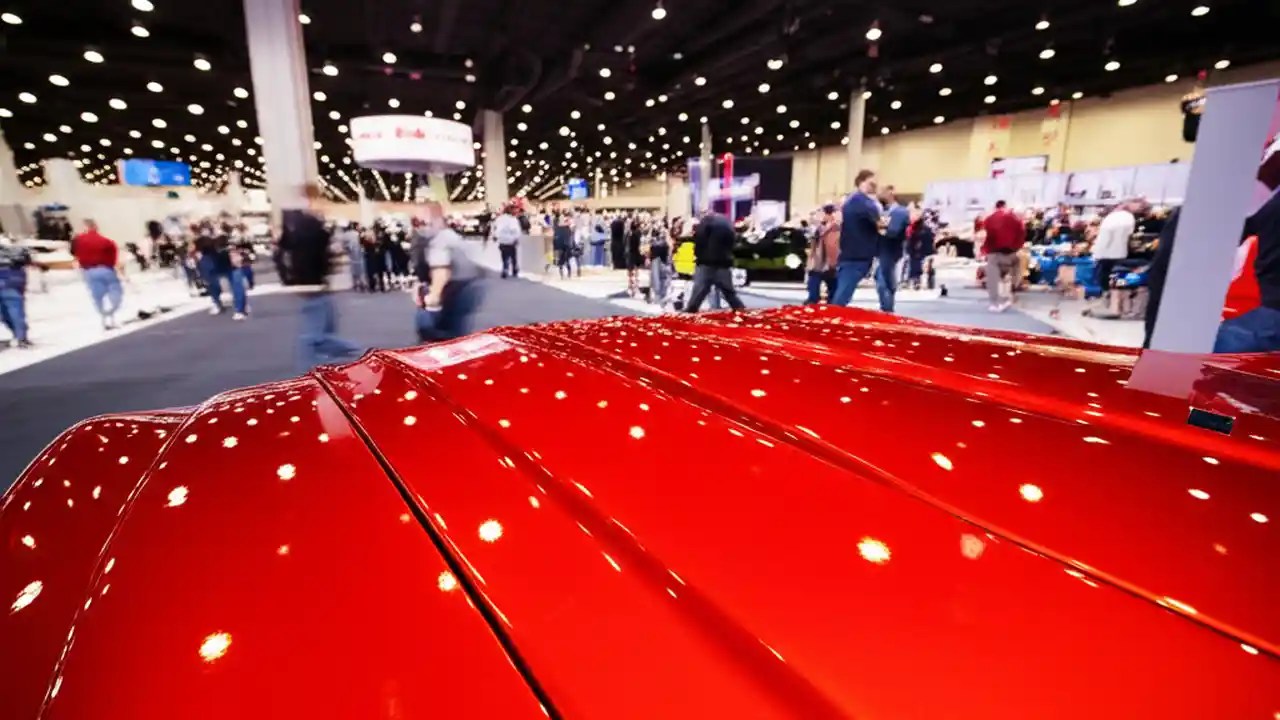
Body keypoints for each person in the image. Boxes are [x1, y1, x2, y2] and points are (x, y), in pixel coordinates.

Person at [281, 208, 362, 371]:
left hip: (310, 288)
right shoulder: (320, 238)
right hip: (320, 287)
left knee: (312, 340)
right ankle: (356, 353)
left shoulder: (300, 243)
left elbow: (284, 246)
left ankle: (360, 353)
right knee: (320, 336)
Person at [415, 212, 482, 341]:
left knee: (436, 332)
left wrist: (433, 295)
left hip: (453, 289)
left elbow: (441, 270)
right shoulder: (453, 236)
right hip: (466, 288)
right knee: (455, 331)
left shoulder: (439, 240)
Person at [832, 169, 882, 306]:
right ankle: (832, 319)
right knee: (842, 296)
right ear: (861, 182)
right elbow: (881, 224)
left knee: (842, 292)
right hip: (858, 255)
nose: (875, 186)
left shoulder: (852, 201)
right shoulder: (863, 203)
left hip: (851, 253)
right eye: (871, 183)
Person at [683, 210, 745, 312]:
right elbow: (733, 242)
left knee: (699, 291)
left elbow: (700, 240)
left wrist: (698, 255)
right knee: (729, 293)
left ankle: (690, 312)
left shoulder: (705, 223)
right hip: (723, 262)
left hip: (706, 262)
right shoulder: (727, 223)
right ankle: (742, 312)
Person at [72, 220, 125, 330]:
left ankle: (104, 318)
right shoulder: (107, 241)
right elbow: (114, 254)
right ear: (95, 227)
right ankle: (112, 315)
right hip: (106, 269)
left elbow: (73, 252)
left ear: (84, 227)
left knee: (98, 296)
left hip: (89, 271)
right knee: (115, 292)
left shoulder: (77, 240)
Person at [982, 200, 1026, 312]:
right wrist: (1016, 248)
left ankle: (994, 303)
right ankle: (1011, 293)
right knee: (1014, 270)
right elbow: (1021, 234)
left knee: (993, 278)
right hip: (1011, 253)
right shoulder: (1016, 219)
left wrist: (985, 251)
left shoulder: (989, 219)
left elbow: (987, 236)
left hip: (994, 253)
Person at [876, 186, 910, 312]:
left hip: (892, 252)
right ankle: (886, 308)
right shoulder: (883, 211)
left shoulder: (900, 212)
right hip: (881, 250)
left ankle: (887, 309)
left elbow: (893, 231)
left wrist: (878, 228)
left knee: (884, 282)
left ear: (890, 194)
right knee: (881, 281)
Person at [1093, 200, 1137, 297]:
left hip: (1106, 251)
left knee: (1104, 272)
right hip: (1121, 251)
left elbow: (1105, 237)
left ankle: (1107, 291)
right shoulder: (1130, 218)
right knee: (1119, 272)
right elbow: (1130, 233)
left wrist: (1098, 251)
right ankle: (1122, 291)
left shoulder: (1111, 218)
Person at [805, 204, 840, 304]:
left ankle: (816, 302)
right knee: (821, 284)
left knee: (831, 286)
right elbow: (813, 245)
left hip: (827, 262)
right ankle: (816, 301)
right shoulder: (820, 227)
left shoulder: (834, 228)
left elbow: (832, 246)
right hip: (821, 262)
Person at [0, 238, 32, 347]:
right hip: (13, 284)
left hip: (10, 284)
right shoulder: (17, 249)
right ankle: (21, 336)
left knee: (8, 314)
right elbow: (26, 260)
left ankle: (19, 335)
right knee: (15, 312)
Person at [905, 206, 936, 290]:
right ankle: (915, 279)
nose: (912, 217)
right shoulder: (910, 226)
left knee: (919, 263)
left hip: (922, 248)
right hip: (914, 249)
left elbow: (928, 237)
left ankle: (919, 279)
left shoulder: (923, 227)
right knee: (914, 263)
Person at [493, 204, 523, 278]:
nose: (516, 211)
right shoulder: (513, 219)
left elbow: (495, 228)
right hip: (511, 240)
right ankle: (514, 269)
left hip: (502, 240)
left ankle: (505, 268)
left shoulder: (499, 219)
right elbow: (516, 230)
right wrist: (516, 238)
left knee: (504, 255)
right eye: (515, 210)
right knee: (513, 256)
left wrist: (495, 236)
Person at [649, 223, 674, 307]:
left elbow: (670, 246)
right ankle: (658, 297)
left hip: (663, 258)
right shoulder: (652, 237)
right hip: (656, 258)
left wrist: (669, 257)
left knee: (664, 277)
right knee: (656, 277)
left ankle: (662, 297)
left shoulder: (665, 236)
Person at [553, 213, 578, 279]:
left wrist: (555, 247)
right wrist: (573, 246)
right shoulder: (567, 228)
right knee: (566, 260)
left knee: (561, 260)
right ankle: (568, 274)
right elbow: (570, 238)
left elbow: (555, 238)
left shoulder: (557, 228)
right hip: (566, 246)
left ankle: (562, 275)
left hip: (560, 246)